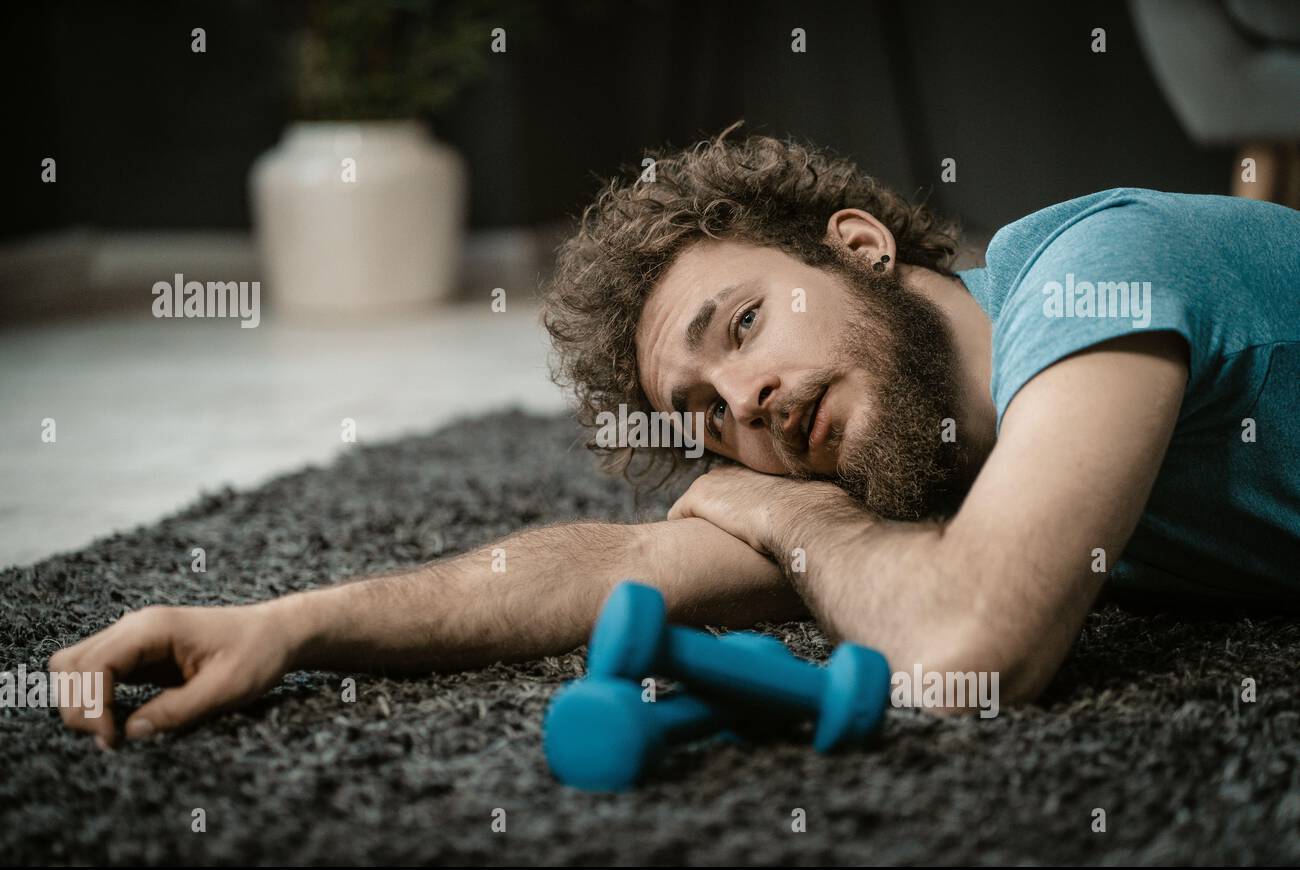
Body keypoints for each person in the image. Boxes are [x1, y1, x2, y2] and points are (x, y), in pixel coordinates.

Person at [52, 129, 1300, 749]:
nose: (741, 405)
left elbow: (975, 646)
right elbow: (613, 568)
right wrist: (287, 621)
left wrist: (784, 512)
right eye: (702, 411)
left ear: (861, 248)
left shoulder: (1103, 273)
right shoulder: (910, 458)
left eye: (744, 323)